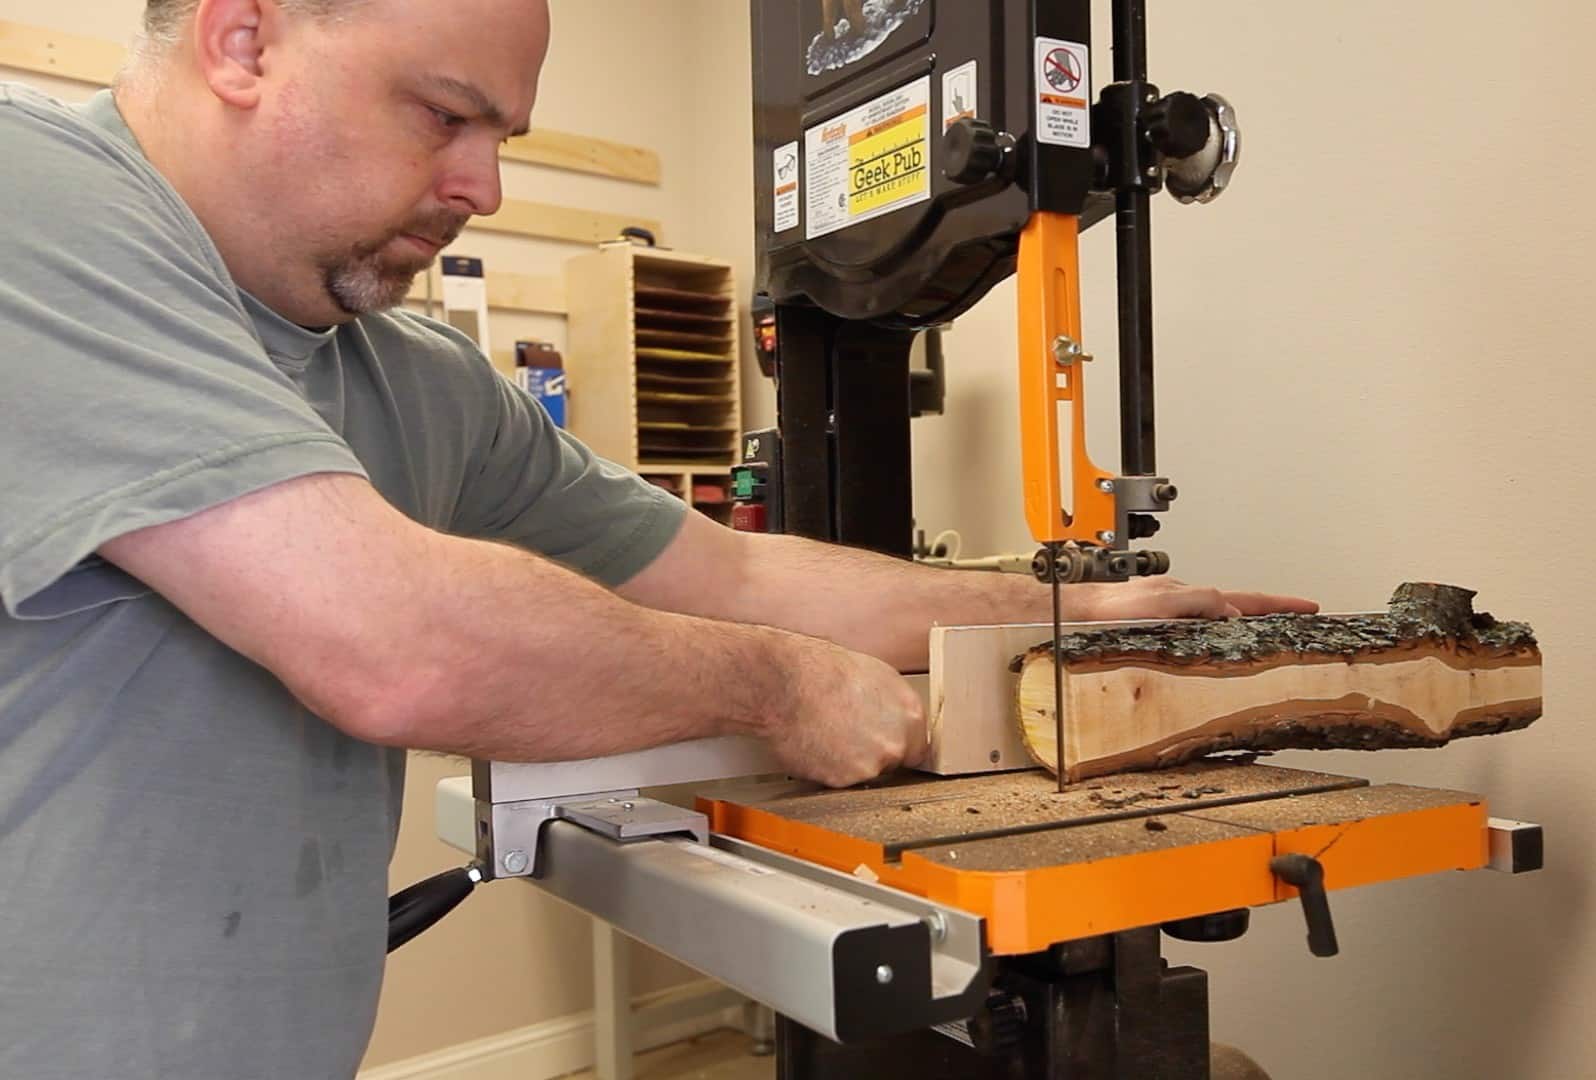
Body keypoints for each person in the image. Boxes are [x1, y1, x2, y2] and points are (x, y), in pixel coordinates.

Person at [0, 0, 1315, 1075]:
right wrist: (778, 682)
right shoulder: (32, 200)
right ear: (244, 39)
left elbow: (733, 571)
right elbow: (389, 643)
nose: (486, 186)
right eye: (446, 115)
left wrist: (1073, 616)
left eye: (501, 133)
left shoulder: (416, 384)